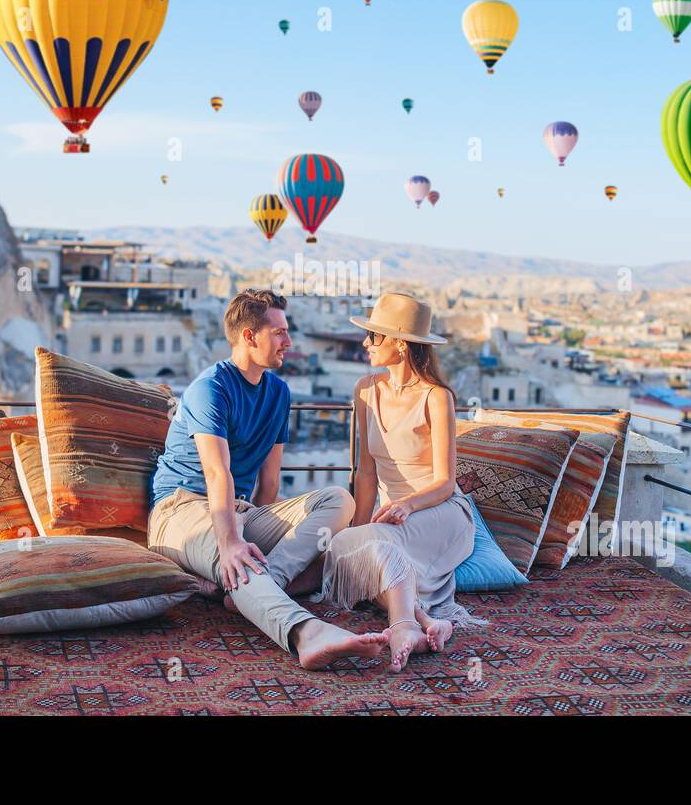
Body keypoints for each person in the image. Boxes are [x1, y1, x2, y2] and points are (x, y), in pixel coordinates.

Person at [148, 288, 389, 670]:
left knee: (338, 501)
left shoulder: (278, 392)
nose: (288, 342)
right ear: (249, 336)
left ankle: (265, 581)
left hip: (240, 510)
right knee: (241, 561)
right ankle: (306, 634)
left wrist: (250, 535)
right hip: (181, 510)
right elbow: (216, 473)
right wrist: (230, 543)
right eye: (278, 332)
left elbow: (271, 482)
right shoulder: (210, 389)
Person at [319, 291, 479, 672]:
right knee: (353, 551)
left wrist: (408, 505)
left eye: (374, 336)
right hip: (390, 520)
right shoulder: (365, 390)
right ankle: (426, 623)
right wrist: (357, 536)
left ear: (401, 345)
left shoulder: (436, 398)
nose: (365, 342)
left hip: (440, 512)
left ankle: (404, 624)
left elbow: (445, 481)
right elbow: (366, 474)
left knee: (379, 548)